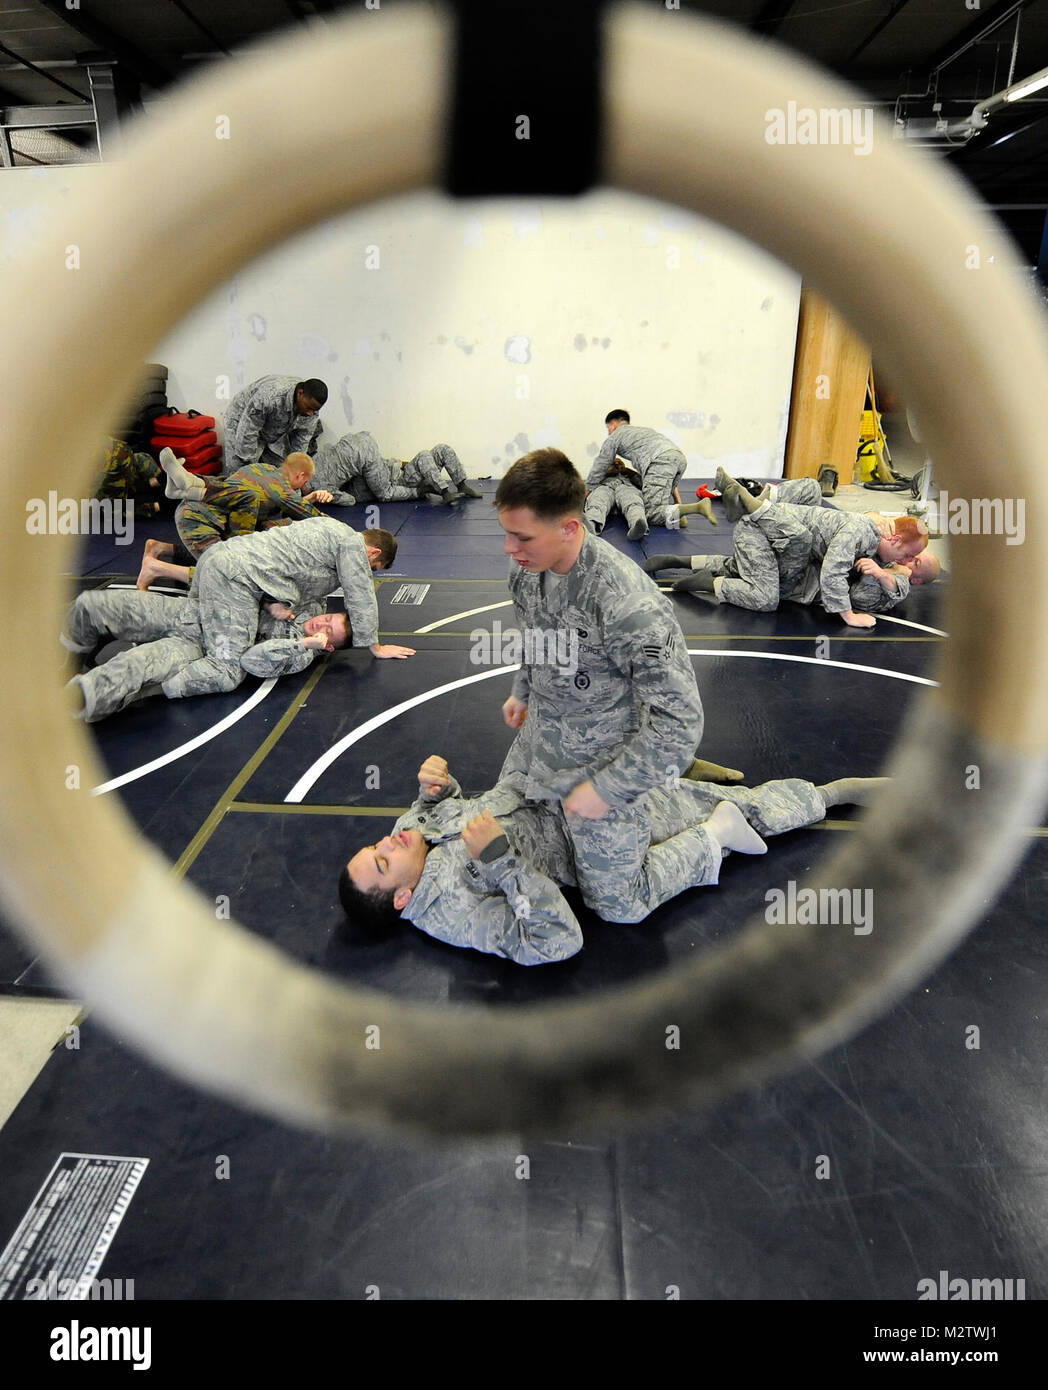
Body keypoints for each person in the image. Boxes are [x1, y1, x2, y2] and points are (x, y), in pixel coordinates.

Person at [338, 753, 887, 964]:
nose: (389, 842)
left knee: (547, 705)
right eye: (383, 862)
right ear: (404, 898)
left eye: (374, 847)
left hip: (545, 781)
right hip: (591, 834)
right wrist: (503, 862)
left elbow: (450, 809)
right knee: (732, 813)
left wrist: (436, 791)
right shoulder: (451, 913)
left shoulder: (407, 834)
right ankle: (832, 792)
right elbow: (556, 939)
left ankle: (673, 767)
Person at [495, 447, 706, 921]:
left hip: (605, 753)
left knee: (618, 907)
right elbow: (534, 634)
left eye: (521, 537)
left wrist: (607, 789)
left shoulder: (627, 605)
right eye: (507, 534)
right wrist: (522, 691)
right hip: (546, 733)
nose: (510, 548)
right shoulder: (527, 570)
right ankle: (661, 784)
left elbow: (680, 722)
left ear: (570, 527)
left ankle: (717, 834)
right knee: (517, 840)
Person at [646, 472, 929, 627]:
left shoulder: (884, 557)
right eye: (908, 557)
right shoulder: (862, 534)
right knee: (771, 590)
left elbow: (889, 578)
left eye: (913, 561)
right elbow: (833, 571)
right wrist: (848, 615)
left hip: (775, 543)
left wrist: (887, 572)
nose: (907, 561)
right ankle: (718, 578)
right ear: (894, 539)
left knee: (751, 566)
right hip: (768, 533)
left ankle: (685, 560)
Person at [63, 585, 351, 723]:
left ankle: (69, 705)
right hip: (192, 613)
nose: (321, 623)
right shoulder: (307, 602)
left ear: (327, 645)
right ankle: (71, 655)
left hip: (203, 648)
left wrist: (302, 644)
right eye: (328, 618)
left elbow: (251, 661)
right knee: (94, 604)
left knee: (134, 666)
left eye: (328, 630)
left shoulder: (299, 656)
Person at [135, 450, 333, 590]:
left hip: (200, 508)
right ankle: (157, 568)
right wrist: (349, 534)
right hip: (200, 520)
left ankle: (161, 547)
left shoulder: (261, 469)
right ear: (300, 475)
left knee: (235, 546)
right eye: (305, 483)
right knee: (228, 573)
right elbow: (313, 517)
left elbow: (283, 503)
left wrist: (309, 498)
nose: (303, 487)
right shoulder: (281, 490)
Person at [586, 409, 716, 532]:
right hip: (678, 458)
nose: (609, 432)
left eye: (608, 428)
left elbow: (600, 465)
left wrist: (587, 491)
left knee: (651, 513)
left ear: (613, 425)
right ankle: (679, 517)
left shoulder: (615, 437)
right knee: (661, 505)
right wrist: (677, 502)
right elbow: (668, 479)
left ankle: (696, 507)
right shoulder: (645, 432)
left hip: (659, 462)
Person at [311, 430, 482, 505]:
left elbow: (383, 464)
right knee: (424, 455)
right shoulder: (336, 485)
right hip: (400, 483)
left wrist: (401, 463)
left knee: (442, 449)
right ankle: (445, 492)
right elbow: (384, 493)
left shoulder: (360, 464)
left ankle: (461, 485)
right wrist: (419, 492)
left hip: (398, 472)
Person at [221, 375, 327, 475]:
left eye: (315, 410)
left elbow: (301, 444)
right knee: (240, 471)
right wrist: (248, 467)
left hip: (270, 428)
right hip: (240, 420)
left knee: (278, 471)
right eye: (309, 408)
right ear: (300, 393)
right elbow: (248, 431)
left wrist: (296, 472)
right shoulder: (270, 397)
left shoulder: (311, 412)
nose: (310, 413)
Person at [582, 459, 649, 538]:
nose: (616, 465)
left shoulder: (628, 475)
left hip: (625, 487)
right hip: (606, 487)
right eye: (613, 464)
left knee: (633, 501)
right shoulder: (599, 475)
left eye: (619, 464)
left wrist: (628, 471)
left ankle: (637, 525)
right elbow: (587, 488)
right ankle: (590, 526)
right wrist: (605, 472)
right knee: (597, 501)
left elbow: (644, 485)